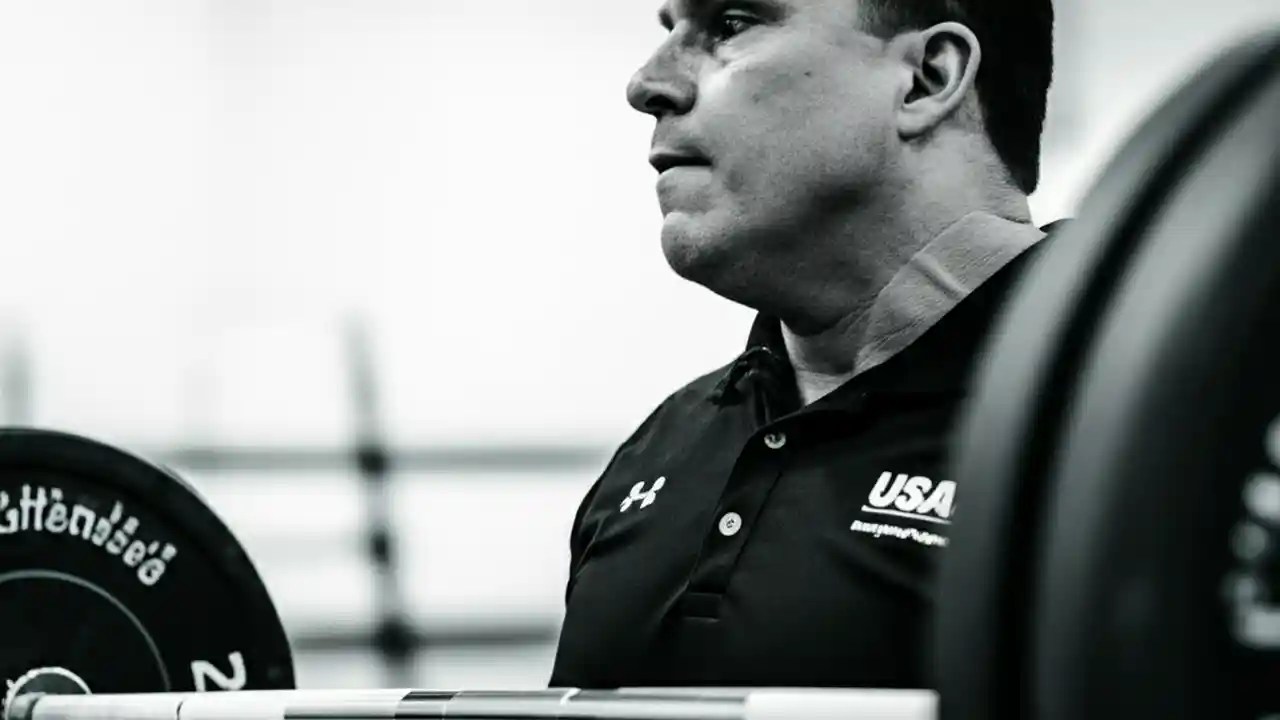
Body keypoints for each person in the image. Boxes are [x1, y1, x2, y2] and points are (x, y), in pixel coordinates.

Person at [550, 0, 1056, 690]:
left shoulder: (1142, 427)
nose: (647, 84)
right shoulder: (661, 447)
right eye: (669, 31)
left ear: (926, 79)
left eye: (731, 24)